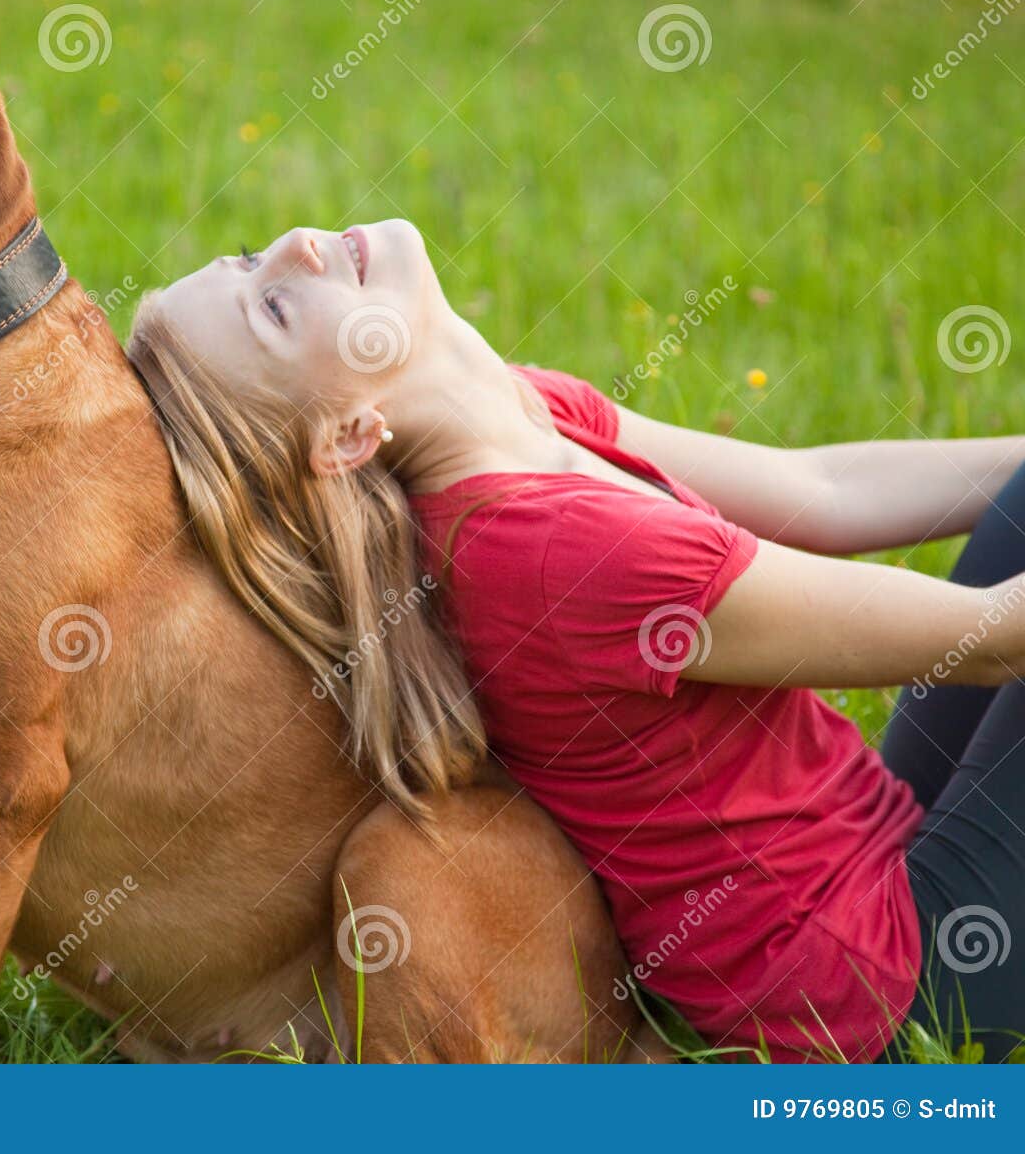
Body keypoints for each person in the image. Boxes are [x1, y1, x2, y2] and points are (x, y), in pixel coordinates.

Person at [124, 219, 1025, 1063]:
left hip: (882, 844)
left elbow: (820, 489)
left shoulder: (521, 414)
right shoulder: (560, 561)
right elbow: (994, 642)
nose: (294, 249)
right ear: (352, 435)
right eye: (274, 309)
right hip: (890, 998)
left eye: (247, 259)